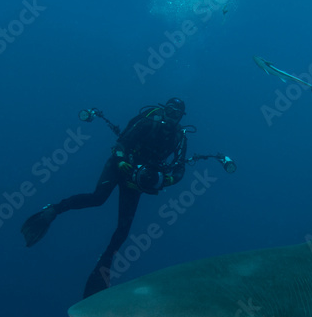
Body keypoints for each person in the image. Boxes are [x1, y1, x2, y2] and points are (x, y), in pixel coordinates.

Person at [21, 97, 191, 298]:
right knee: (97, 198)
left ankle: (105, 264)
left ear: (181, 117)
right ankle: (53, 210)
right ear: (164, 110)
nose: (172, 117)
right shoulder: (148, 123)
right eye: (170, 111)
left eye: (177, 114)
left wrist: (167, 179)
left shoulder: (180, 137)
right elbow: (122, 143)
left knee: (124, 227)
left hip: (138, 179)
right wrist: (120, 161)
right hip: (119, 167)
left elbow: (180, 168)